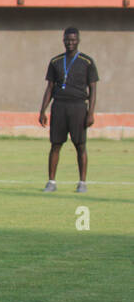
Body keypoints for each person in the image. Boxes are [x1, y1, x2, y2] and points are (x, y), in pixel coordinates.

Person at [38, 27, 98, 193]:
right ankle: (51, 182)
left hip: (78, 107)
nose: (70, 43)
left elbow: (93, 89)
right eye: (67, 40)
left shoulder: (87, 62)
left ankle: (82, 183)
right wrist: (43, 110)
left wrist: (91, 112)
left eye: (73, 40)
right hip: (59, 106)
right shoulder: (55, 61)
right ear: (63, 40)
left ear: (78, 40)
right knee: (55, 145)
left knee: (80, 145)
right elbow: (49, 87)